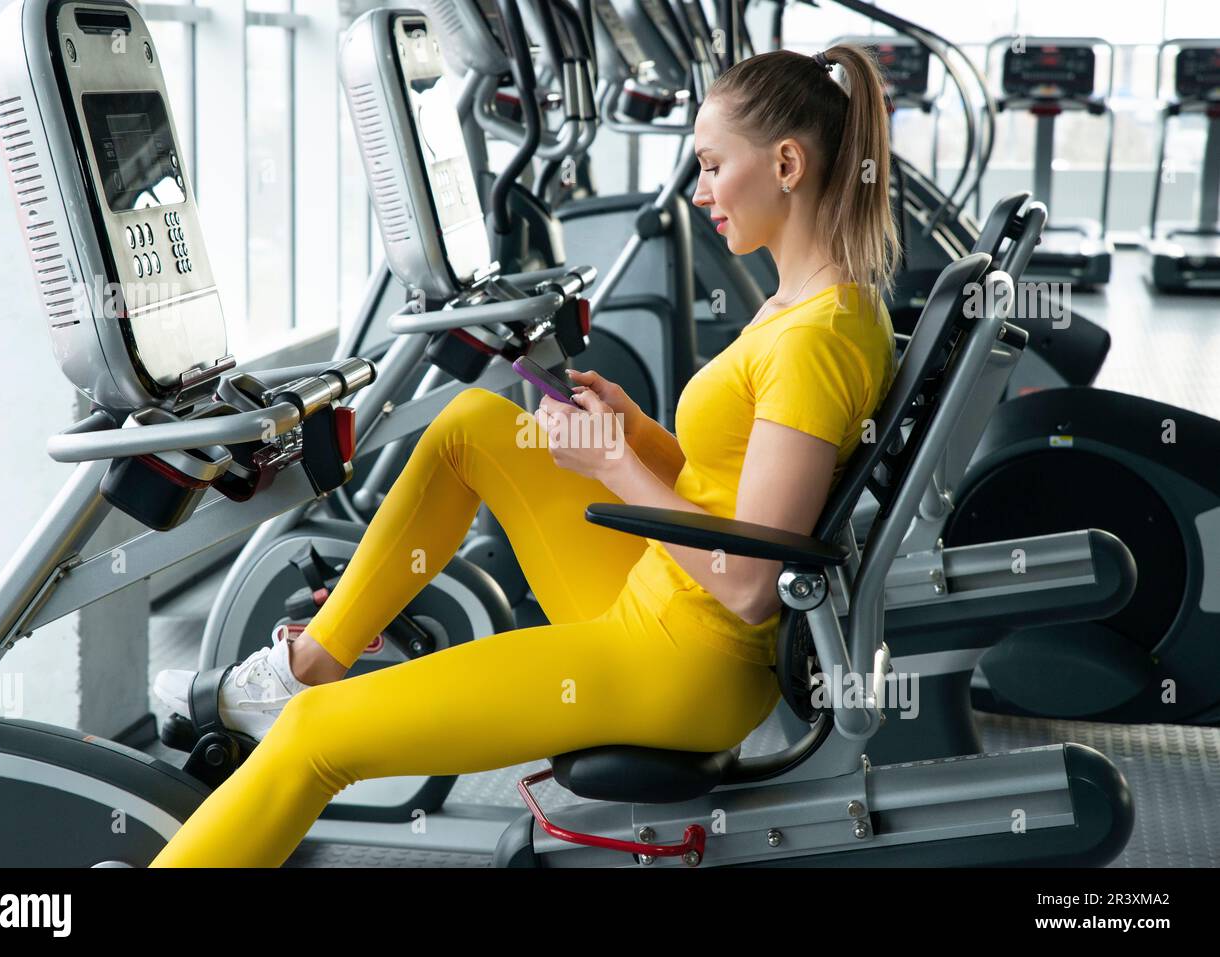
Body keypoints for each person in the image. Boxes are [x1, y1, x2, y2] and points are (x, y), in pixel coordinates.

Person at [150, 45, 898, 867]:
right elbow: (736, 487)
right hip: (660, 594)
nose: (700, 191)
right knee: (472, 421)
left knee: (312, 742)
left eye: (713, 166)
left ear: (786, 162)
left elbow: (756, 582)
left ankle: (302, 700)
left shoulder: (815, 337)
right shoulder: (809, 305)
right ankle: (311, 662)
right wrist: (637, 433)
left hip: (686, 659)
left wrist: (614, 466)